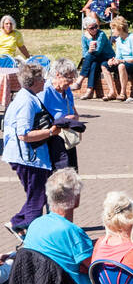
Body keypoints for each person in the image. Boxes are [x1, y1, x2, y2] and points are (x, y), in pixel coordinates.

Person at [2, 62, 60, 235]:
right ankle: (22, 226)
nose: (44, 81)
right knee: (38, 196)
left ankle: (21, 224)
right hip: (28, 157)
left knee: (36, 195)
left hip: (26, 156)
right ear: (34, 81)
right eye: (42, 78)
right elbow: (24, 134)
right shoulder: (26, 101)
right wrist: (50, 132)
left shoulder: (27, 96)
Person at [39, 59, 82, 171]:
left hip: (68, 139)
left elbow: (73, 111)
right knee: (61, 174)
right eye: (69, 78)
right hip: (53, 140)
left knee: (72, 173)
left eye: (73, 78)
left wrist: (75, 118)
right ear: (58, 75)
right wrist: (62, 121)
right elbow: (38, 118)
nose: (72, 82)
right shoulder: (45, 91)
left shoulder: (66, 90)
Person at [104, 16, 133, 102]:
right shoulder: (118, 40)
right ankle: (112, 92)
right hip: (124, 63)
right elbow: (118, 56)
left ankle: (123, 93)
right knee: (104, 65)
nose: (112, 31)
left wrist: (121, 61)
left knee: (121, 66)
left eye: (113, 29)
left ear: (120, 28)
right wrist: (113, 60)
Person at [77, 16, 115, 100]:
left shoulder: (101, 34)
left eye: (96, 26)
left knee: (92, 56)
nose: (95, 29)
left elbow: (97, 50)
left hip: (106, 57)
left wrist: (90, 39)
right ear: (86, 29)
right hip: (95, 59)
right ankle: (89, 91)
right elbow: (84, 54)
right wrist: (89, 51)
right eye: (92, 28)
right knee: (93, 64)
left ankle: (80, 80)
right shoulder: (84, 37)